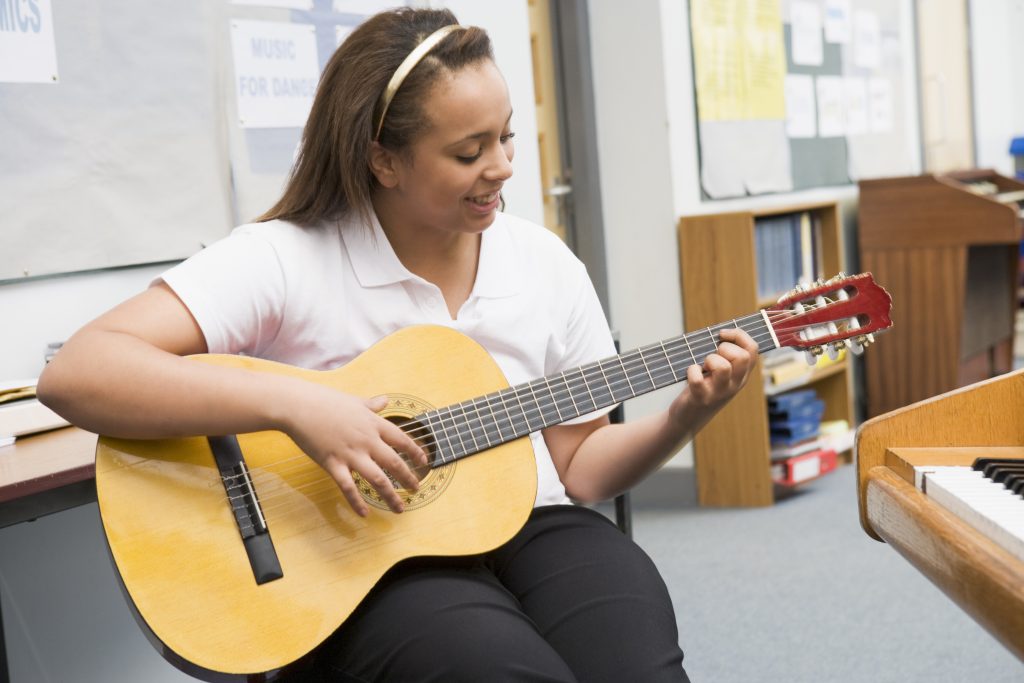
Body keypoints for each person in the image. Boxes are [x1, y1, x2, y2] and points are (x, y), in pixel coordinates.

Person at [38, 8, 758, 682]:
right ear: (384, 161)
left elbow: (583, 469)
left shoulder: (544, 264)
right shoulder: (287, 259)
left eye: (505, 137)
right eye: (468, 151)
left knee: (634, 662)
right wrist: (299, 406)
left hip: (534, 525)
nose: (504, 166)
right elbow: (79, 370)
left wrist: (684, 416)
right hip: (361, 559)